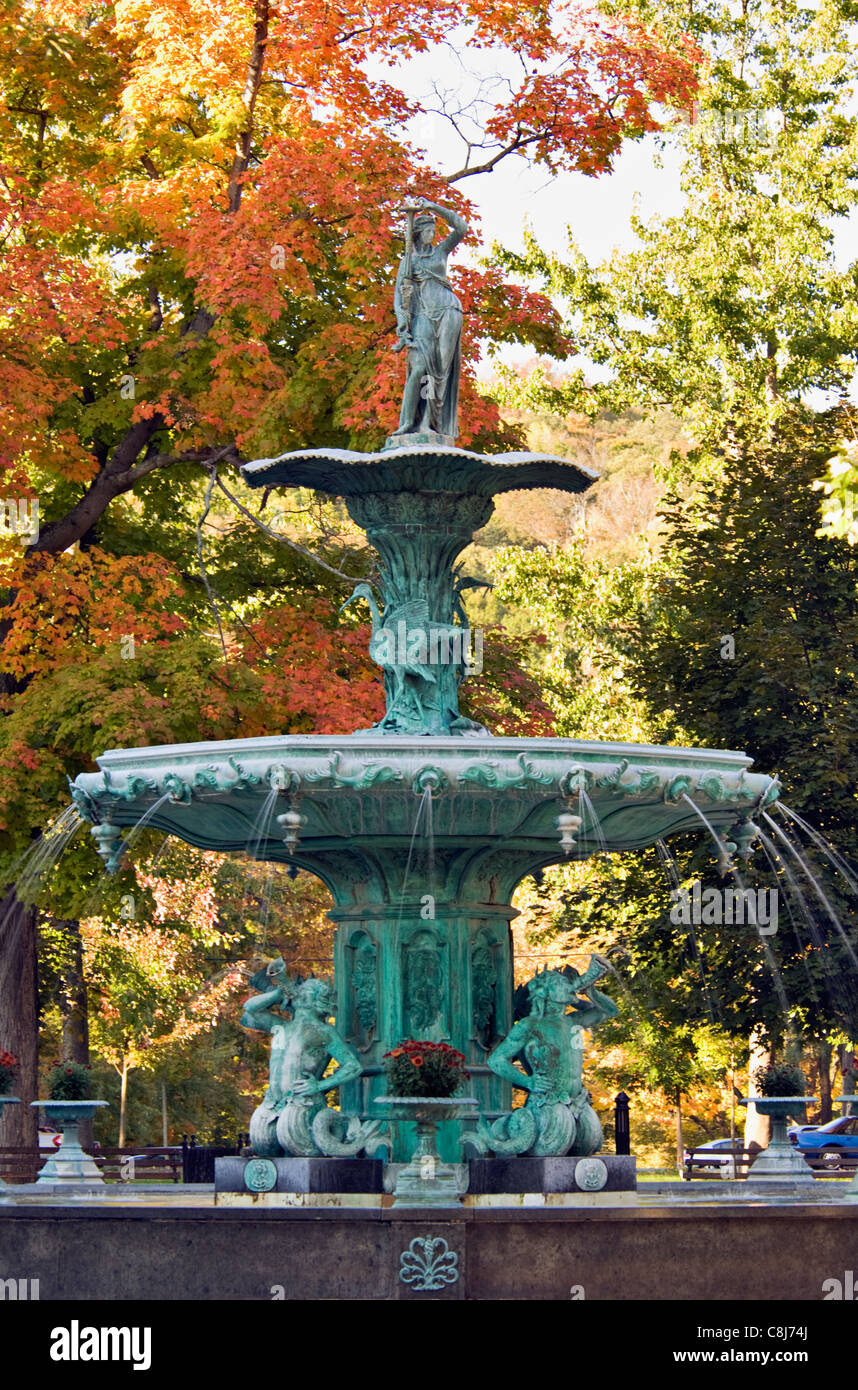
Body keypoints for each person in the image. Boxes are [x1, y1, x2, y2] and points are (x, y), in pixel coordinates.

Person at [242, 972, 362, 1157]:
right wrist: (278, 993)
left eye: (305, 990)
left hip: (302, 1104)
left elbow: (353, 1066)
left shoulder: (324, 1032)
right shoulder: (281, 1025)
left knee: (298, 1150)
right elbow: (249, 1010)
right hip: (273, 1102)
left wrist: (319, 1086)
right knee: (263, 1147)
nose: (299, 992)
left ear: (317, 1000)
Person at [390, 195, 467, 441]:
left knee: (438, 372)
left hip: (449, 313)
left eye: (434, 230)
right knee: (419, 369)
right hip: (423, 316)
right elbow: (399, 296)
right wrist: (403, 324)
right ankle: (407, 423)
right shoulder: (408, 261)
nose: (432, 235)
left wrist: (434, 207)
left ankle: (427, 424)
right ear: (418, 232)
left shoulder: (441, 252)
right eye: (427, 230)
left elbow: (462, 227)